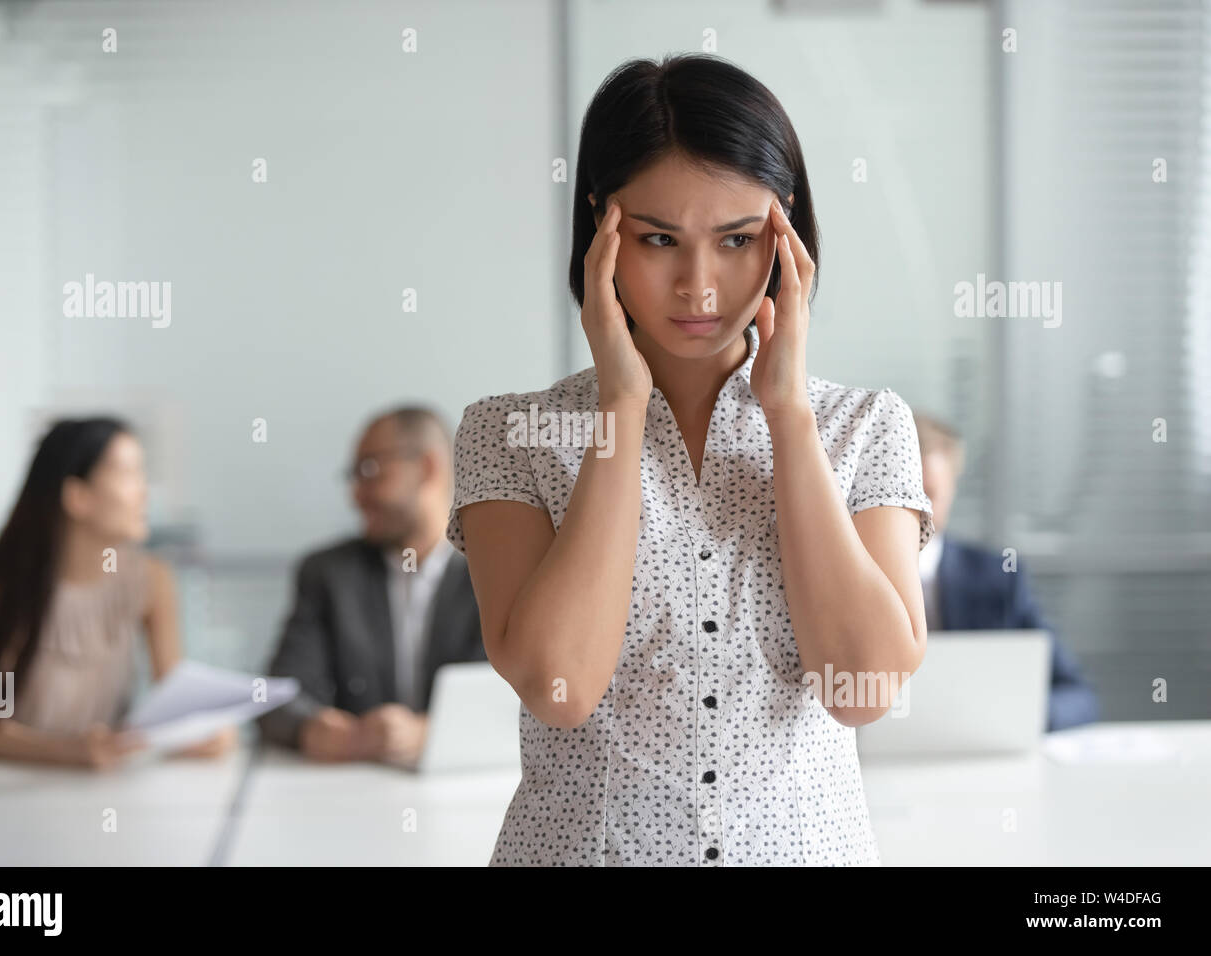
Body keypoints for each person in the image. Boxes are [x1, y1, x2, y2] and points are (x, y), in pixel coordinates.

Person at [447, 54, 936, 866]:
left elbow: (867, 687)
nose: (699, 287)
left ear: (787, 239)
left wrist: (789, 417)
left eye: (739, 240)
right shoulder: (510, 434)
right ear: (601, 229)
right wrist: (621, 408)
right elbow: (558, 685)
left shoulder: (866, 426)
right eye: (659, 239)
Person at [0, 417, 236, 769]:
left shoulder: (152, 580)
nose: (144, 491)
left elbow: (174, 699)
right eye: (127, 474)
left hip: (106, 790)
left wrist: (205, 730)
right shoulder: (6, 591)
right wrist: (67, 752)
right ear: (78, 496)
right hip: (8, 789)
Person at [257, 407, 485, 766]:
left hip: (470, 794)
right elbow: (276, 698)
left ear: (428, 468)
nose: (356, 496)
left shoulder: (493, 573)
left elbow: (518, 703)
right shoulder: (328, 574)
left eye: (370, 470)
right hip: (352, 793)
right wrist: (315, 730)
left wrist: (427, 733)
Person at [913, 411, 1100, 731]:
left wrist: (1016, 716)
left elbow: (1077, 696)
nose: (915, 509)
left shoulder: (998, 578)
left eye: (927, 495)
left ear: (952, 490)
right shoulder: (838, 580)